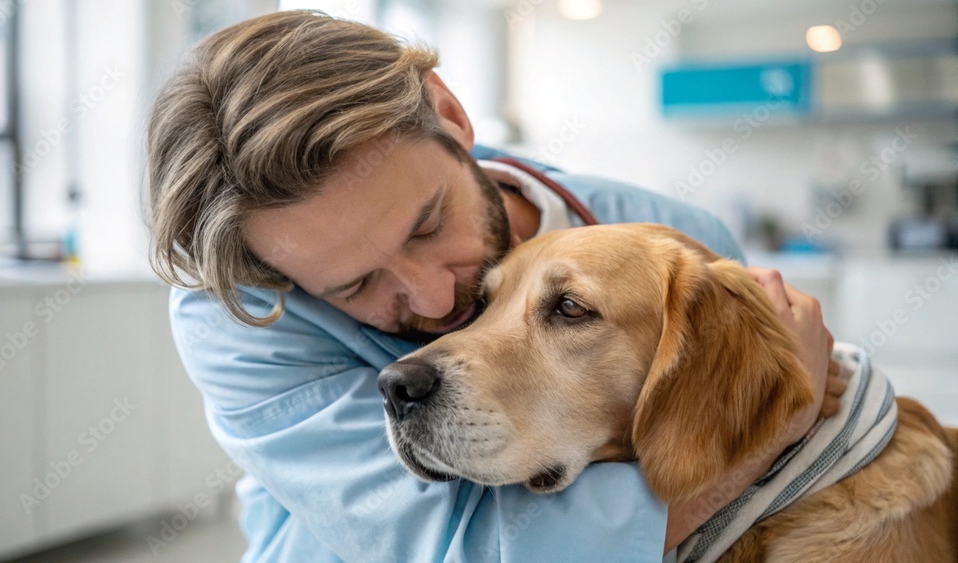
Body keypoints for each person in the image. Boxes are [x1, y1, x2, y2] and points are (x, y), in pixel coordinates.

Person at [145, 10, 838, 562]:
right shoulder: (239, 315)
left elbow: (713, 446)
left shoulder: (682, 234)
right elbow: (477, 553)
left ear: (448, 113)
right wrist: (773, 435)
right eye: (357, 284)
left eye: (427, 224)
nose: (438, 302)